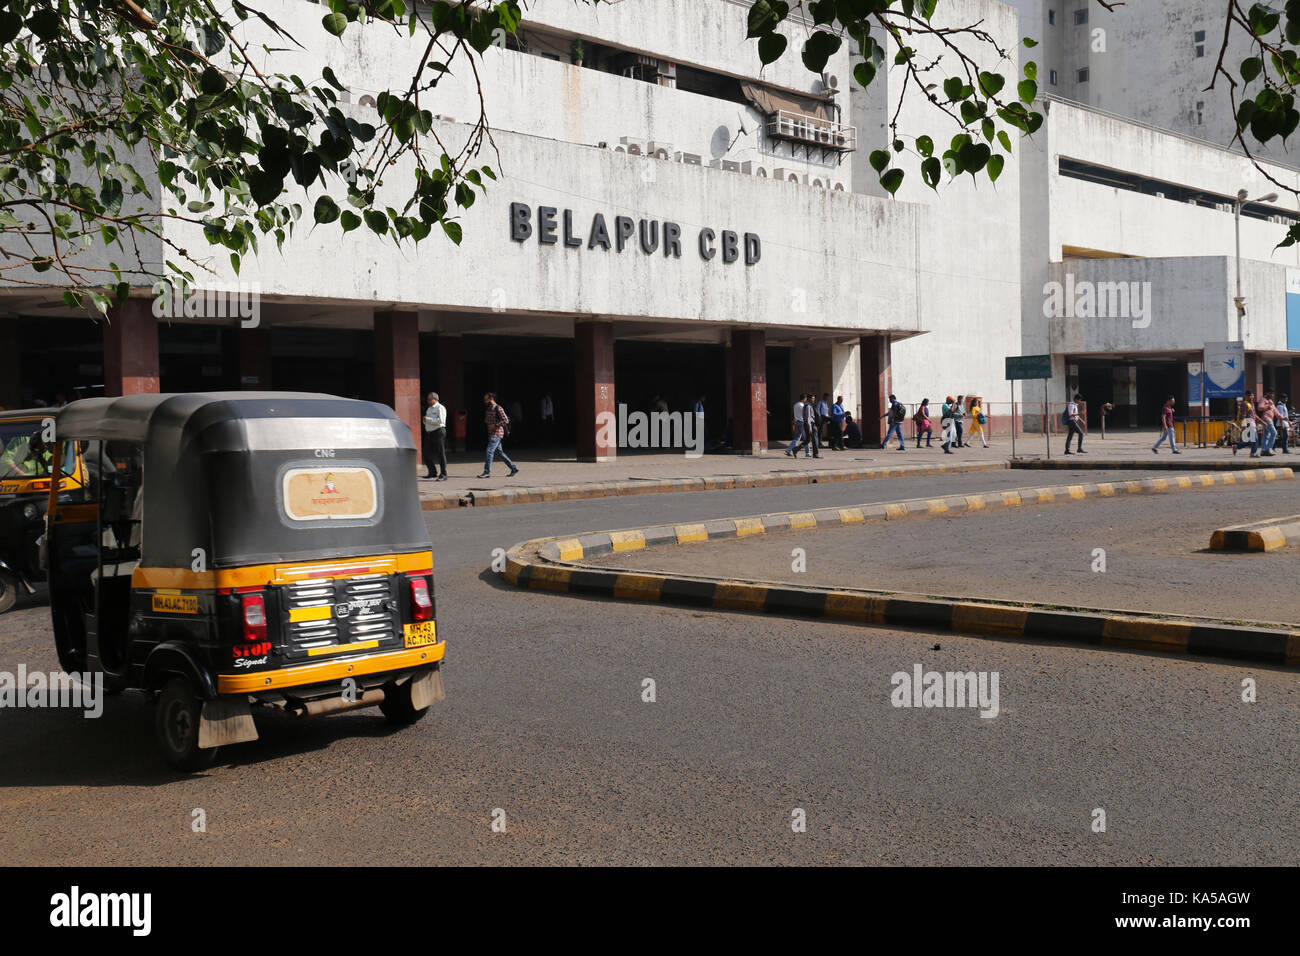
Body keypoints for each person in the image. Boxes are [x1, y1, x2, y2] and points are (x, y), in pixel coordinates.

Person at [478, 392, 519, 478]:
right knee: (500, 453)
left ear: (491, 399)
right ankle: (513, 468)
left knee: (489, 451)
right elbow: (487, 421)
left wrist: (495, 425)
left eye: (486, 399)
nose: (485, 401)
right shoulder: (488, 409)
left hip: (497, 433)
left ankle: (487, 471)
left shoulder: (498, 408)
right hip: (491, 434)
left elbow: (506, 420)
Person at [423, 391, 449, 480]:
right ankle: (432, 472)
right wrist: (425, 420)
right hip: (429, 433)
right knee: (425, 453)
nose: (428, 401)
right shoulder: (429, 409)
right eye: (428, 399)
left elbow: (441, 421)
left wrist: (428, 419)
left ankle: (443, 474)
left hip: (438, 432)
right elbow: (427, 421)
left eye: (430, 399)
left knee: (440, 453)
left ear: (435, 399)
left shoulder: (440, 408)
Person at [792, 393, 821, 459]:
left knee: (807, 440)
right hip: (810, 424)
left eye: (814, 398)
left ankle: (795, 449)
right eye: (813, 398)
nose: (814, 400)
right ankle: (816, 454)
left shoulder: (806, 405)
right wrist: (810, 427)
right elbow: (808, 417)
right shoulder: (808, 406)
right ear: (809, 399)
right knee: (815, 439)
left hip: (807, 424)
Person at [1234, 391, 1260, 458]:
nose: (1251, 397)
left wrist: (1262, 422)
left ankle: (1237, 446)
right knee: (1255, 439)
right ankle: (1253, 453)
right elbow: (1243, 416)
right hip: (1248, 423)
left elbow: (1254, 415)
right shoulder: (1244, 404)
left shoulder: (1252, 404)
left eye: (1252, 395)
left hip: (1253, 423)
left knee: (1251, 440)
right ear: (1246, 396)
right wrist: (1244, 426)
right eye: (1249, 395)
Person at [1257, 390, 1277, 456]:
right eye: (1271, 393)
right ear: (1267, 393)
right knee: (1274, 433)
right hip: (1266, 419)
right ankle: (1268, 449)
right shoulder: (1263, 399)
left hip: (1270, 420)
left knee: (1266, 435)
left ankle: (1263, 450)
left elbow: (1275, 410)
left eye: (1273, 394)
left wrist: (1282, 417)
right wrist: (1267, 406)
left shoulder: (1270, 401)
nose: (1272, 395)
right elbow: (1259, 408)